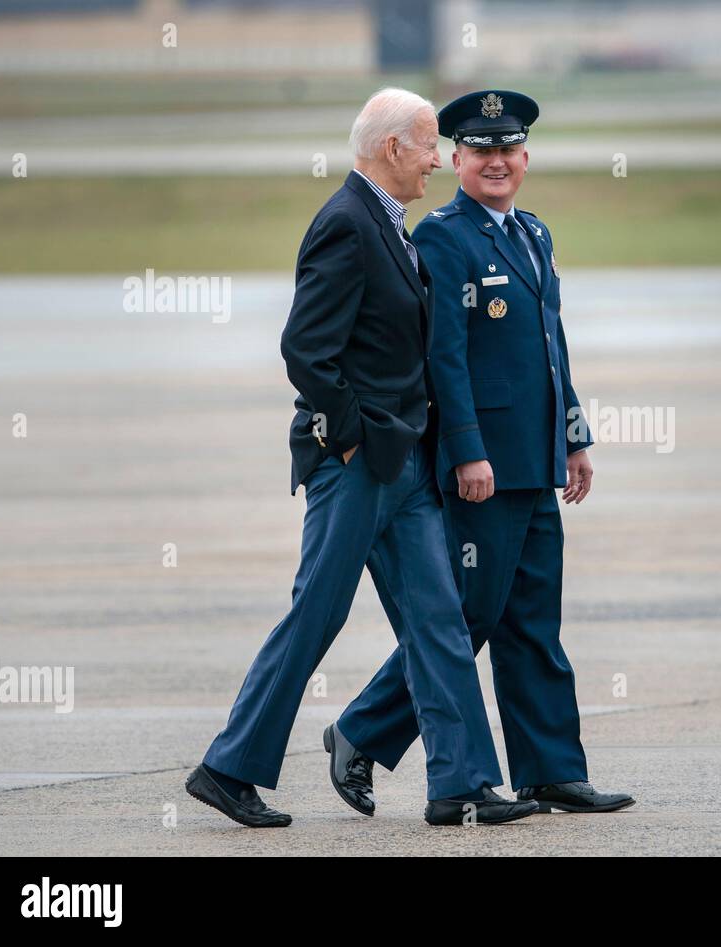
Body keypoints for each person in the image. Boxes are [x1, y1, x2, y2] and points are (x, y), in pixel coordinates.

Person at [186, 88, 538, 828]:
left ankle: (462, 782)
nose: (439, 159)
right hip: (356, 463)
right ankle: (229, 766)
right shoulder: (346, 223)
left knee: (439, 619)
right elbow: (304, 350)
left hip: (403, 464)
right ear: (392, 150)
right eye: (428, 145)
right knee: (317, 612)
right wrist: (351, 434)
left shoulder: (391, 224)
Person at [329, 90, 635, 815]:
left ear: (525, 157)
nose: (496, 162)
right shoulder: (443, 237)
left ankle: (552, 769)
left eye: (509, 150)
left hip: (534, 458)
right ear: (457, 159)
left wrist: (573, 435)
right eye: (479, 151)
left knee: (533, 620)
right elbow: (447, 356)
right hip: (482, 467)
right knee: (468, 615)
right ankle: (359, 732)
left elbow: (551, 349)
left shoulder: (533, 233)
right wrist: (466, 451)